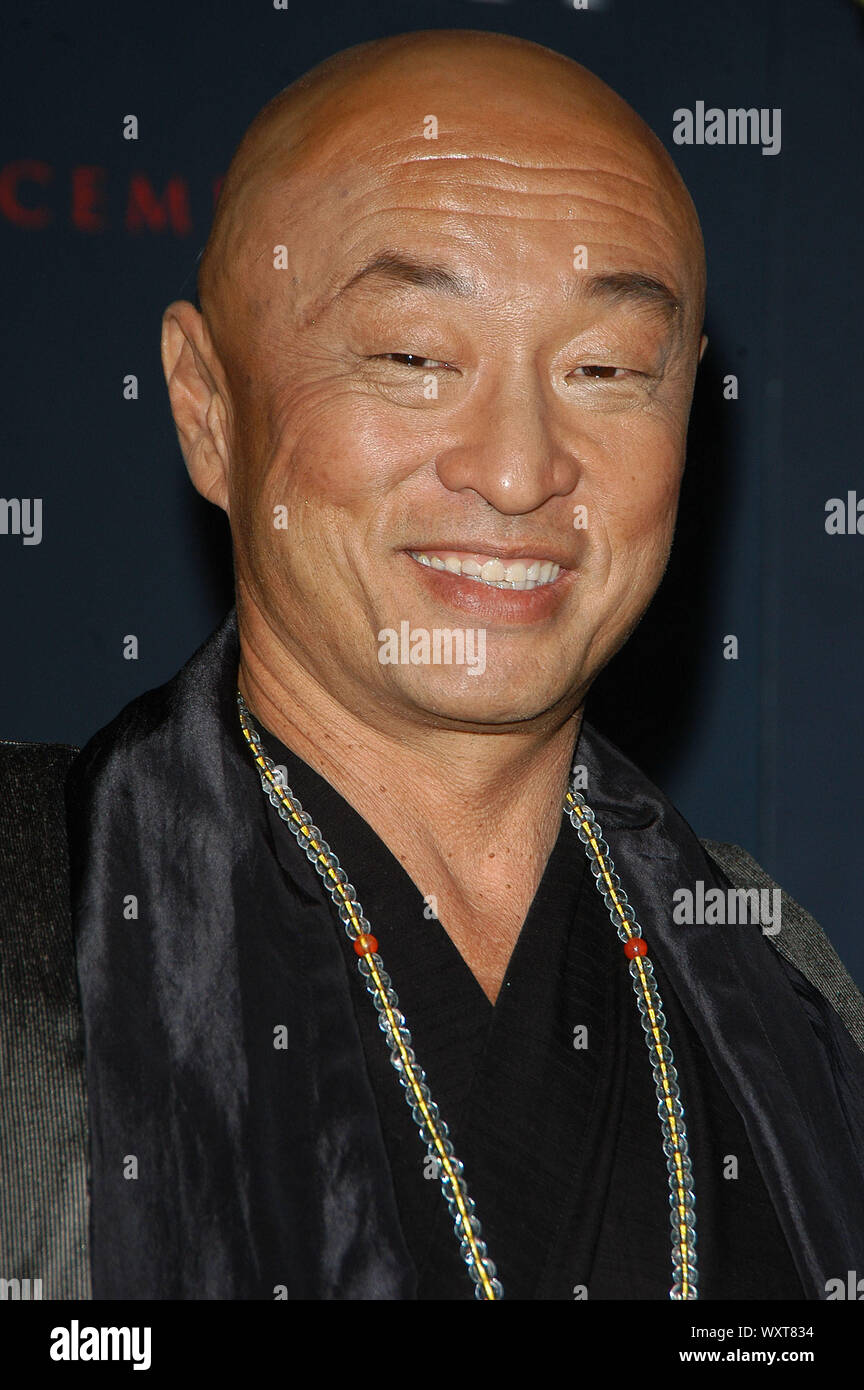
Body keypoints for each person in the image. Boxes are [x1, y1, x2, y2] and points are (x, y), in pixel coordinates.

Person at [3, 29, 864, 1303]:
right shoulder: (35, 921)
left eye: (608, 370)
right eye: (414, 359)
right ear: (207, 406)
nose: (519, 470)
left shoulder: (779, 974)